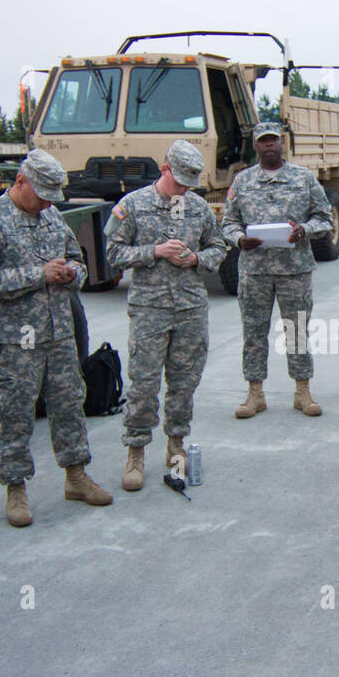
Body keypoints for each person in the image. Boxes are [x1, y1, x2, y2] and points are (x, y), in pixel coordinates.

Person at [0, 149, 112, 527]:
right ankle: (16, 489)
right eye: (41, 192)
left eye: (52, 194)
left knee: (69, 404)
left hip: (58, 332)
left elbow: (75, 258)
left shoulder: (50, 216)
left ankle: (76, 476)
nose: (47, 201)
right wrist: (39, 275)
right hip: (17, 340)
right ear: (20, 181)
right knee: (14, 413)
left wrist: (70, 273)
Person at [106, 140, 226, 491]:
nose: (184, 189)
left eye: (190, 182)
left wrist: (196, 260)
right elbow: (112, 253)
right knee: (143, 384)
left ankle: (176, 449)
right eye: (179, 181)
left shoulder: (199, 207)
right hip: (149, 309)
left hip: (190, 308)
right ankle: (136, 452)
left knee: (184, 383)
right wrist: (155, 251)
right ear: (164, 169)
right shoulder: (133, 205)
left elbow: (218, 247)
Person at [221, 121, 333, 418]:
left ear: (282, 144)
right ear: (256, 146)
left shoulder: (303, 178)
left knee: (296, 331)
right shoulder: (242, 181)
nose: (269, 145)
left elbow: (325, 219)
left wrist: (304, 230)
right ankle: (255, 393)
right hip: (255, 270)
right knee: (254, 332)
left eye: (273, 141)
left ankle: (302, 391)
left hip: (294, 270)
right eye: (263, 141)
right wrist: (238, 239)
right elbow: (228, 222)